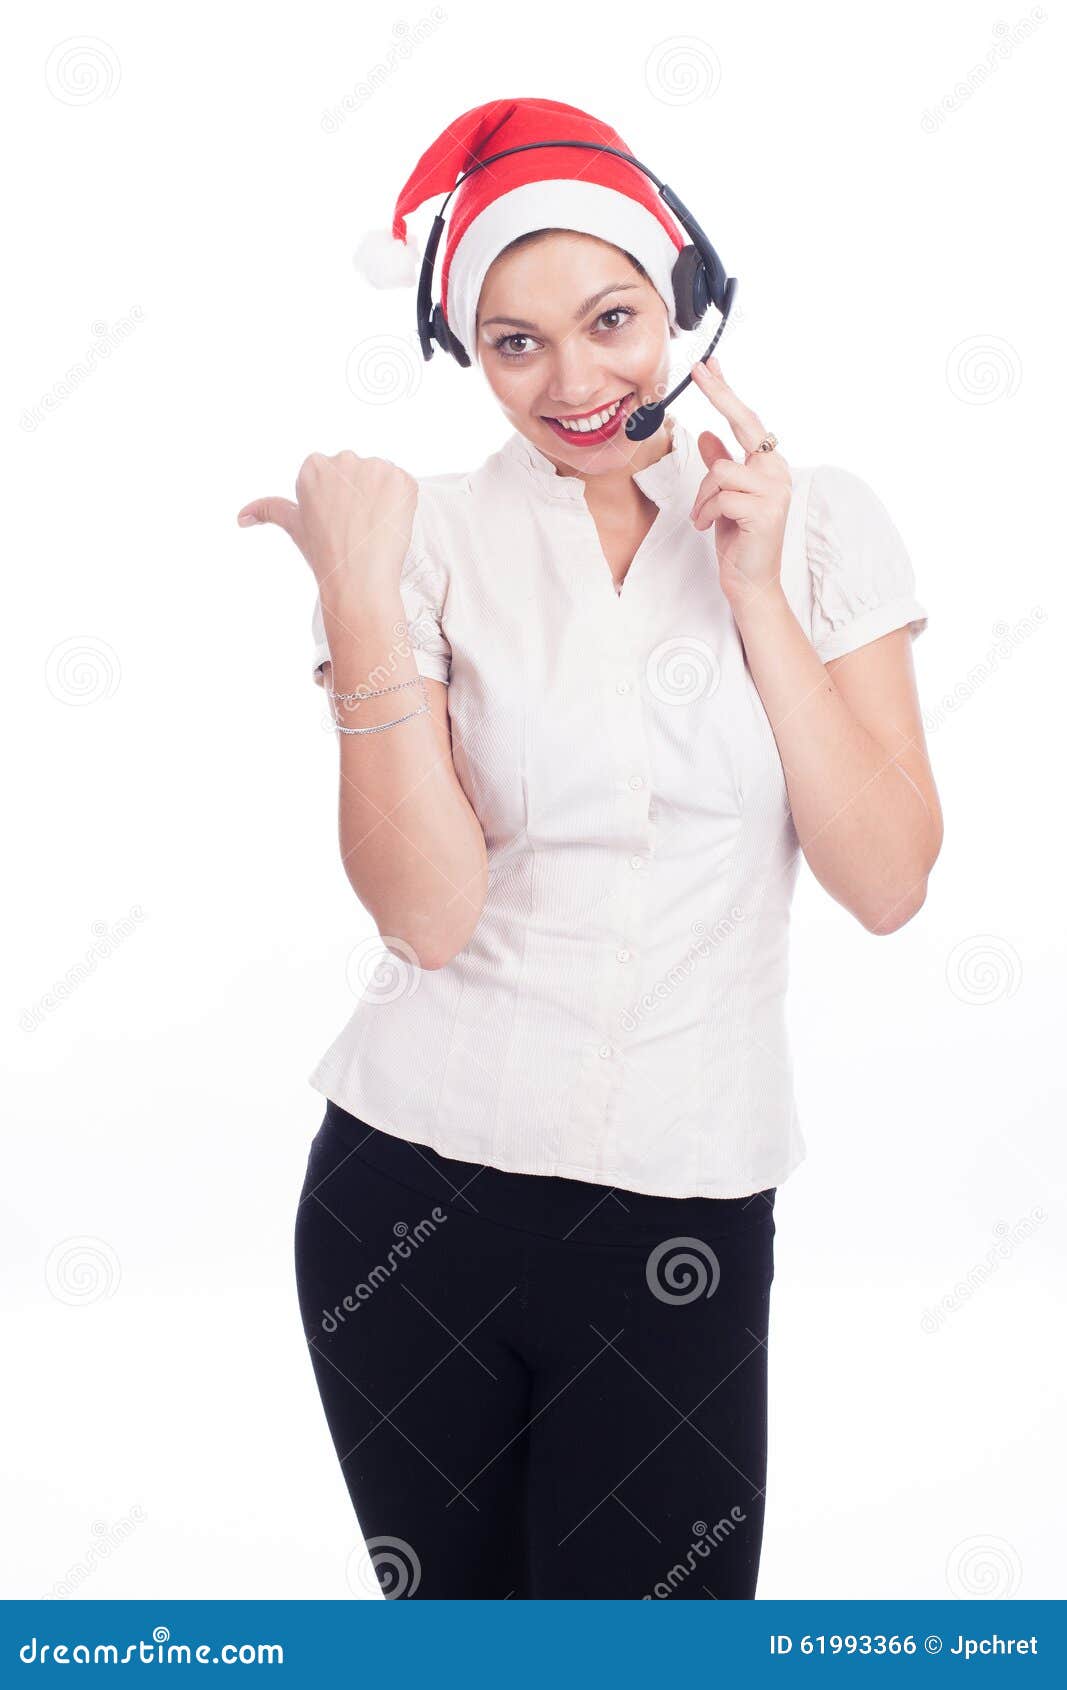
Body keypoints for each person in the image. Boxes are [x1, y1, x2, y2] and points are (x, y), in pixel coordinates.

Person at [237, 98, 942, 1600]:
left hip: (682, 1207)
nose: (573, 377)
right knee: (463, 1650)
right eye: (515, 341)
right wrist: (362, 607)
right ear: (469, 353)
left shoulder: (819, 534)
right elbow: (427, 914)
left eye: (611, 316)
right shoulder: (416, 541)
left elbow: (889, 881)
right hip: (408, 1197)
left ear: (682, 298)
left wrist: (755, 596)